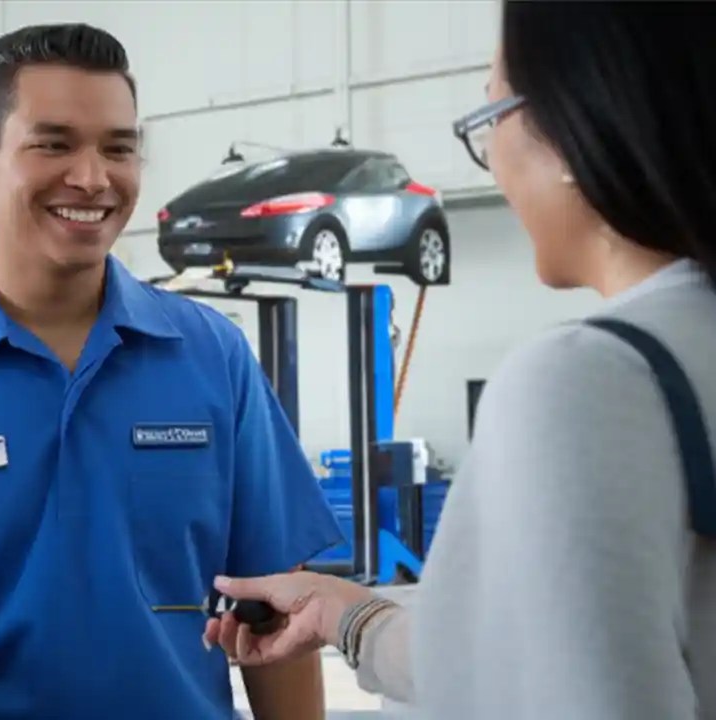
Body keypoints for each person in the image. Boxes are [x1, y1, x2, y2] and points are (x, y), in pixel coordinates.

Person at [0, 22, 345, 720]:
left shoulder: (211, 357)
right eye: (53, 143)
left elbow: (278, 621)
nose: (92, 177)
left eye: (118, 148)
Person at [204, 3, 716, 719]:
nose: (494, 155)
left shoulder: (588, 381)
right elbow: (522, 649)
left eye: (492, 115)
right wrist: (348, 616)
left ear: (572, 127)